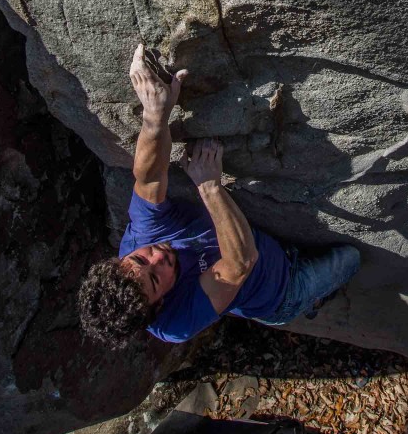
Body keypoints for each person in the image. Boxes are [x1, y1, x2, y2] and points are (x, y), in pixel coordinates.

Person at [78, 44, 361, 347]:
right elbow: (241, 262)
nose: (158, 256)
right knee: (350, 259)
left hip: (266, 247)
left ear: (122, 259)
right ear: (157, 305)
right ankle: (312, 302)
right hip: (283, 291)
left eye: (140, 258)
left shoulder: (142, 238)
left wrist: (155, 115)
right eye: (156, 278)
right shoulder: (176, 322)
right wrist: (209, 186)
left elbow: (149, 177)